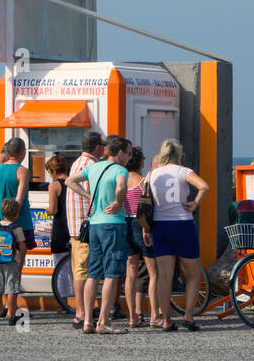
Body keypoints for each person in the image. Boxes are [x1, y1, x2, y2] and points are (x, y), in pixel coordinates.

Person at [67, 135, 131, 334]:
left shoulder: (94, 167)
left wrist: (88, 197)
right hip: (113, 225)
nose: (129, 158)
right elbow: (121, 186)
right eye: (128, 154)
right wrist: (119, 202)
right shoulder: (121, 170)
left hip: (94, 225)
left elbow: (70, 181)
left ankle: (87, 321)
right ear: (120, 153)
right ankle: (103, 322)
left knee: (93, 274)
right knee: (112, 274)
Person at [145, 138, 209, 331]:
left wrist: (146, 228)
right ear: (178, 154)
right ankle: (188, 315)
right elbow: (204, 186)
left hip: (160, 226)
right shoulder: (184, 171)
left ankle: (166, 320)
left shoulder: (152, 174)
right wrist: (195, 202)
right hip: (183, 225)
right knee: (193, 273)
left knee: (164, 277)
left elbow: (144, 202)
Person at [65, 131, 105, 328]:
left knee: (78, 268)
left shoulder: (76, 162)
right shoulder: (92, 165)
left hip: (75, 225)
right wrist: (91, 198)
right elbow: (93, 191)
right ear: (97, 147)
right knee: (83, 269)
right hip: (86, 225)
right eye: (103, 146)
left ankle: (82, 309)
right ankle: (81, 312)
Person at [0, 137, 34, 309]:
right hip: (20, 223)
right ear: (22, 152)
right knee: (17, 266)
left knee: (0, 264)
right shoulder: (22, 171)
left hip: (0, 222)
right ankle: (11, 306)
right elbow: (20, 197)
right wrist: (14, 215)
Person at [123, 146, 160, 329]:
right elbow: (145, 208)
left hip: (126, 225)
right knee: (154, 274)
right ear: (140, 162)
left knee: (130, 274)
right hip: (141, 226)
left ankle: (132, 317)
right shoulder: (144, 181)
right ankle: (154, 314)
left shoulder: (121, 180)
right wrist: (147, 230)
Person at [0, 199, 26, 326]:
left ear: (2, 212)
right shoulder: (16, 228)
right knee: (11, 289)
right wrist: (21, 262)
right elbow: (22, 247)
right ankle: (10, 315)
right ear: (16, 214)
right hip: (12, 262)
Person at [45, 153, 71, 257]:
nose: (51, 176)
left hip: (61, 228)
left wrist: (47, 210)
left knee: (61, 268)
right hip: (74, 227)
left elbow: (53, 210)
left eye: (50, 173)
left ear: (54, 171)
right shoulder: (74, 182)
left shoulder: (54, 185)